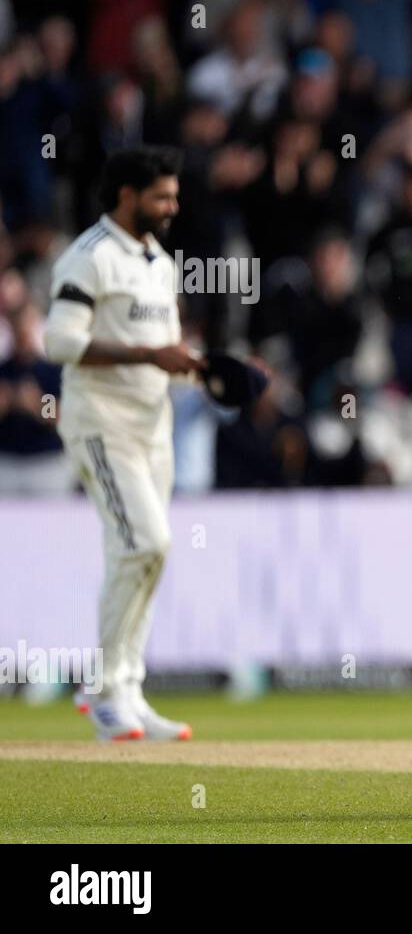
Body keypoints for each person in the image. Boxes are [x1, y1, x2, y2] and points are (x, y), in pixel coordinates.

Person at [43, 145, 204, 741]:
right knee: (146, 541)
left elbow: (166, 355)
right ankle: (102, 686)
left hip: (152, 426)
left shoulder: (158, 262)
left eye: (175, 194)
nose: (173, 205)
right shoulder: (88, 258)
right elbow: (59, 342)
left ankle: (128, 691)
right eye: (162, 195)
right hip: (101, 425)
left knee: (143, 554)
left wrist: (214, 371)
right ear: (127, 196)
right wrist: (150, 355)